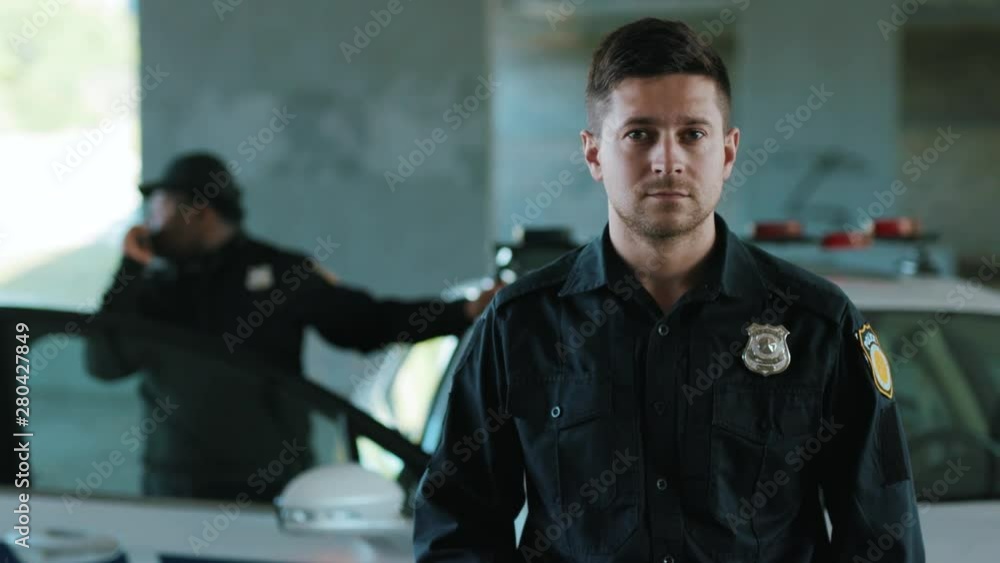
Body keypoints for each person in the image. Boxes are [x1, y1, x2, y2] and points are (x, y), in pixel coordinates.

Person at [413, 18, 924, 563]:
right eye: (639, 134)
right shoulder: (522, 326)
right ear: (593, 154)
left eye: (692, 134)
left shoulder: (818, 324)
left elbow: (882, 539)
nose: (667, 160)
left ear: (727, 153)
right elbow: (458, 532)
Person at [85, 152, 497, 502]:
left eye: (160, 208)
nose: (151, 223)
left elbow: (366, 323)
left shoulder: (280, 274)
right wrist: (128, 272)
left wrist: (461, 313)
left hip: (267, 492)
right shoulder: (154, 289)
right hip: (174, 494)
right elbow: (103, 362)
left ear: (200, 211)